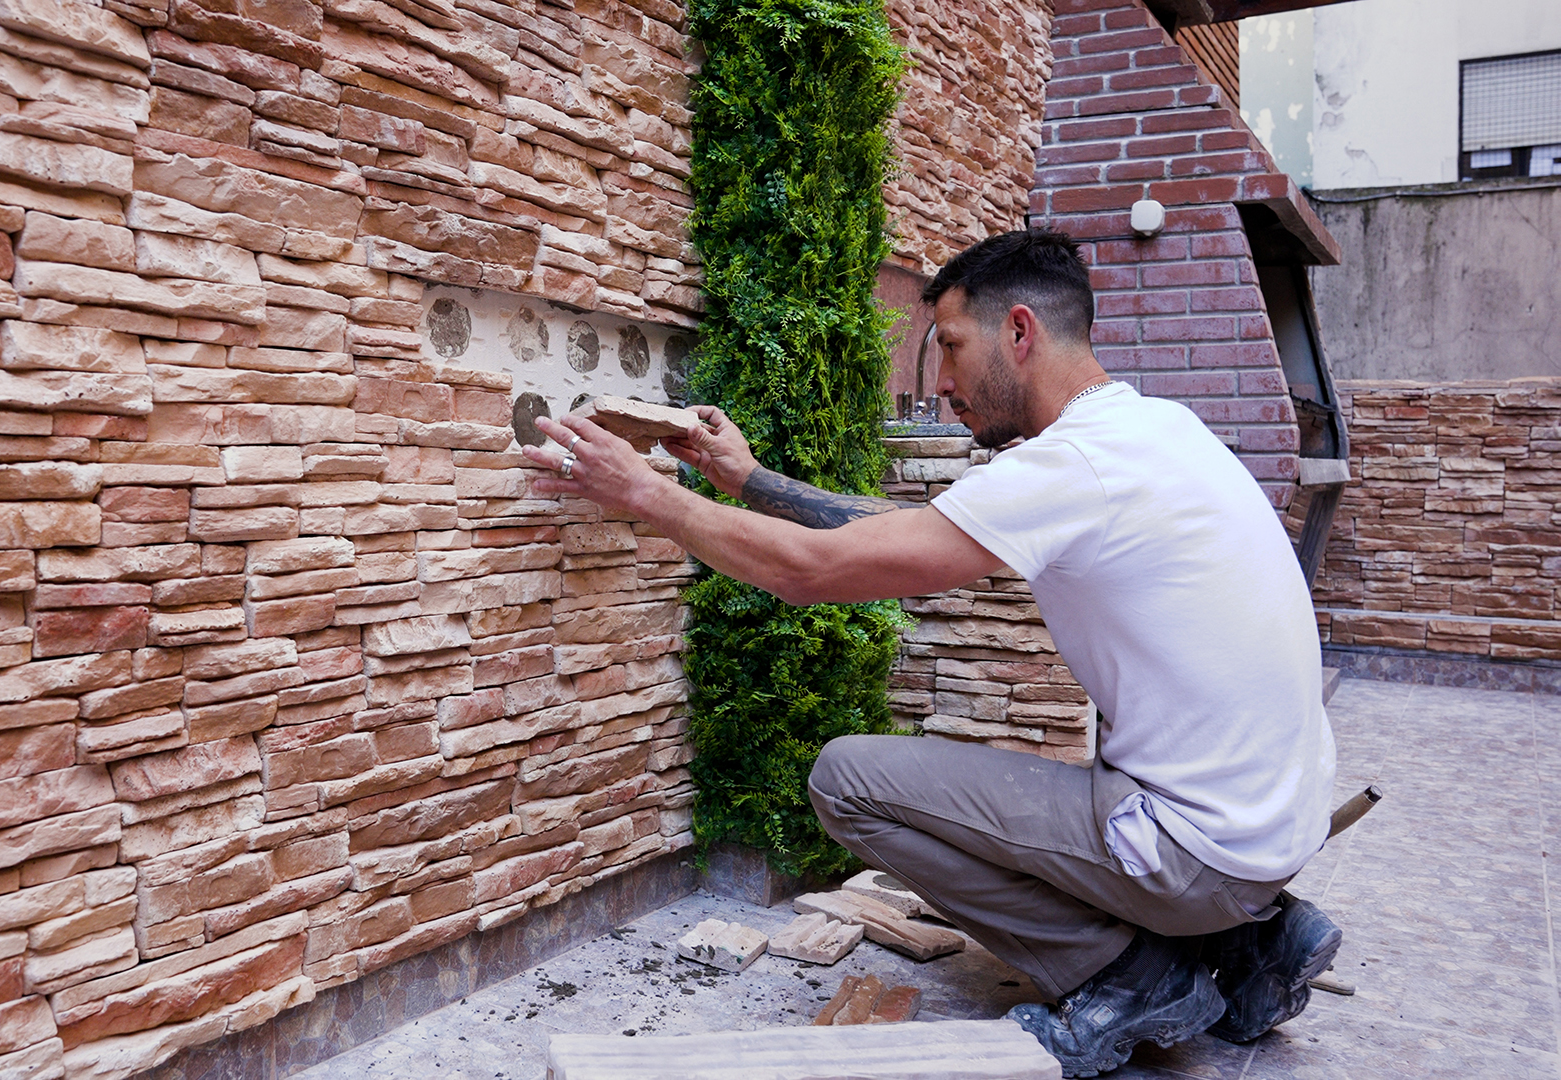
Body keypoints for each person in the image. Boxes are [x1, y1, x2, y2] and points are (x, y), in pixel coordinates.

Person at [521, 228, 1341, 1077]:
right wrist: (748, 481)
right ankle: (1253, 942)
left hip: (1197, 849)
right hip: (1265, 830)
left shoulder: (1076, 465)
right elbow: (902, 533)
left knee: (847, 781)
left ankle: (1131, 976)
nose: (941, 381)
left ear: (1019, 332)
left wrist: (647, 494)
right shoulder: (1149, 430)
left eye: (949, 346)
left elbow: (814, 573)